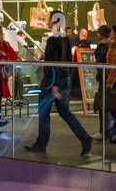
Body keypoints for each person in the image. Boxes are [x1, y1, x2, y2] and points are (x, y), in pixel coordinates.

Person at [25, 11, 92, 158]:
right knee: (64, 112)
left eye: (49, 20)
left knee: (43, 113)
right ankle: (84, 137)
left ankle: (41, 143)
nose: (48, 23)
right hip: (64, 79)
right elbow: (66, 62)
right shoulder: (67, 40)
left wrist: (54, 84)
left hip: (51, 82)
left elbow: (52, 64)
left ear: (54, 22)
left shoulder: (52, 41)